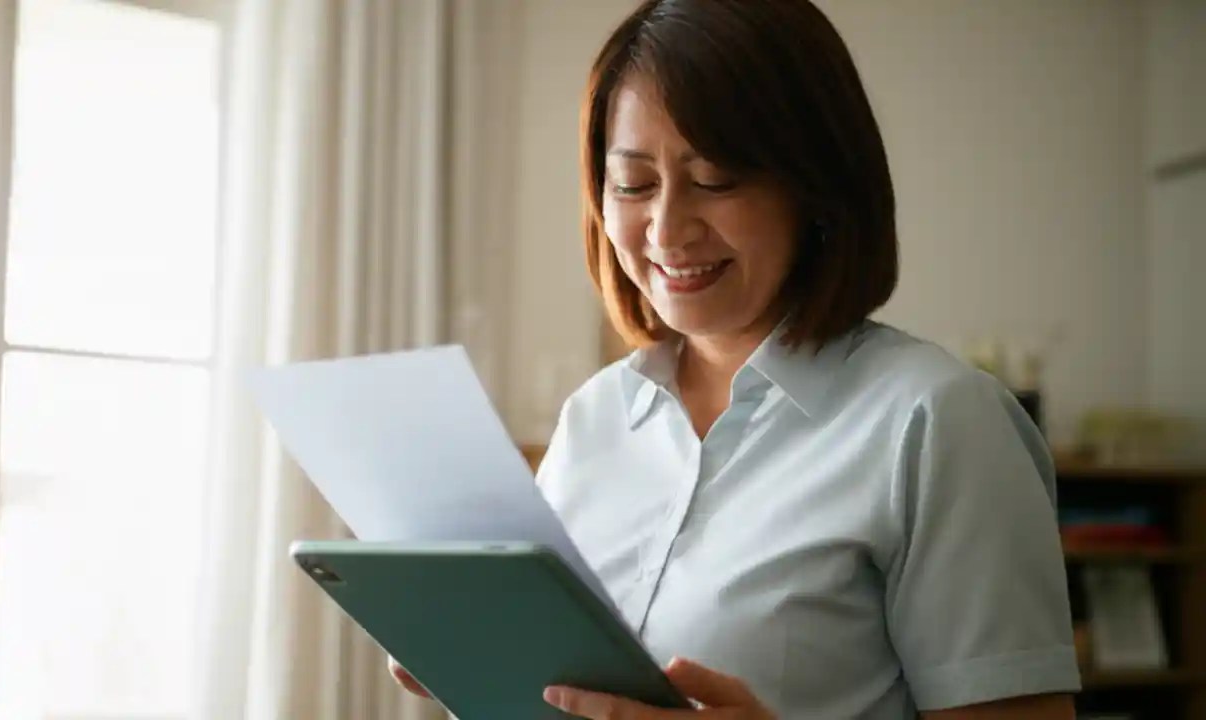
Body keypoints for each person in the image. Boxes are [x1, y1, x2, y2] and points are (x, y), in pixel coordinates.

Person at [394, 0, 1080, 717]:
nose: (666, 229)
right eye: (633, 185)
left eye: (715, 179)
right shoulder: (594, 419)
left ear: (816, 185)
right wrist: (477, 665)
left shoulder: (937, 421)